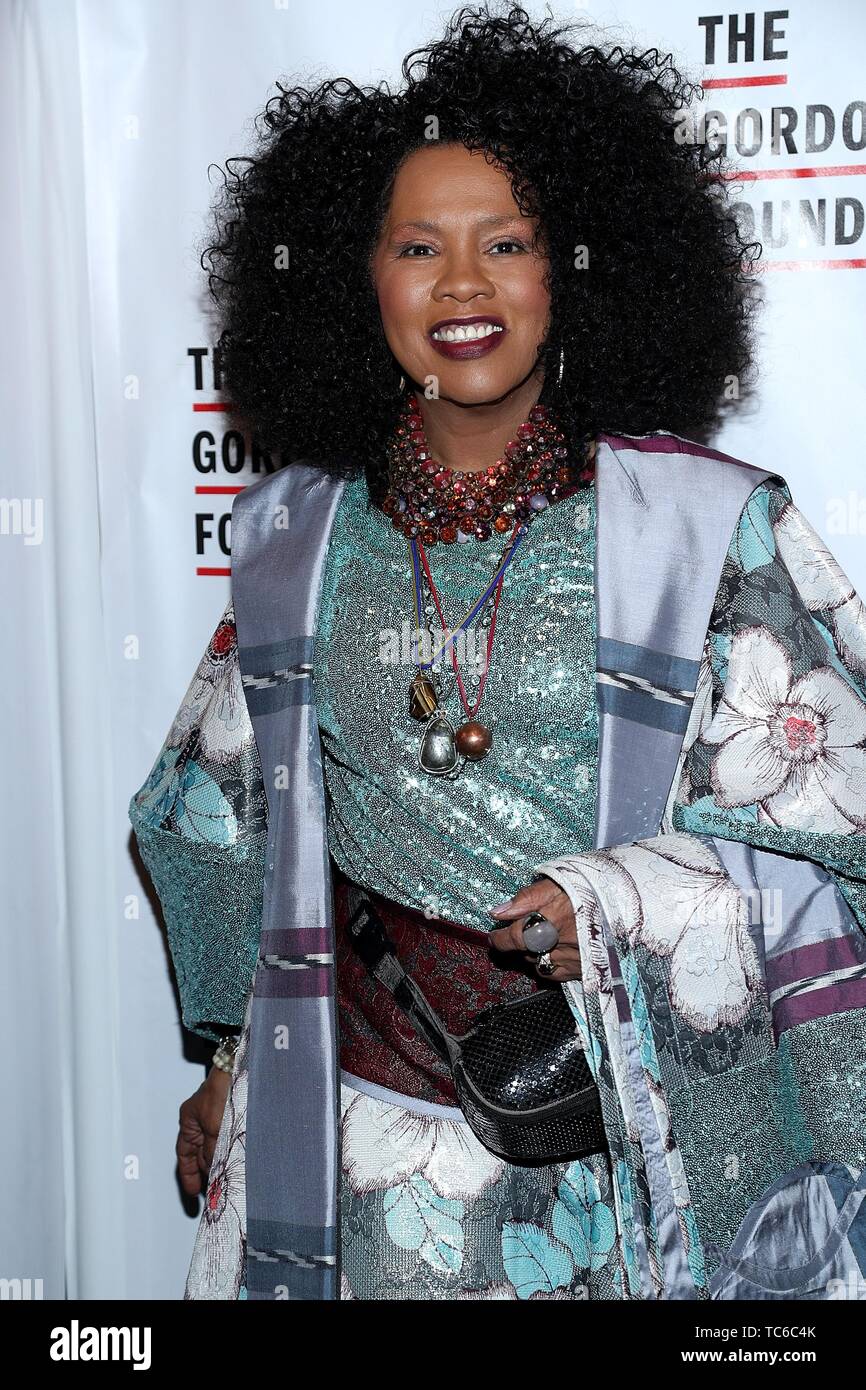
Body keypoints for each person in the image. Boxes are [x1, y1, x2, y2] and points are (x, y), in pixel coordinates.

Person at [129, 4, 866, 1301]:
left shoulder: (705, 530)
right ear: (362, 282)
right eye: (418, 246)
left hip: (600, 1161)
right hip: (342, 1157)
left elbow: (839, 830)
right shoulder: (299, 535)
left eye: (503, 244)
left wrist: (633, 917)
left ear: (570, 272)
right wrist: (226, 1062)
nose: (460, 286)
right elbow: (219, 817)